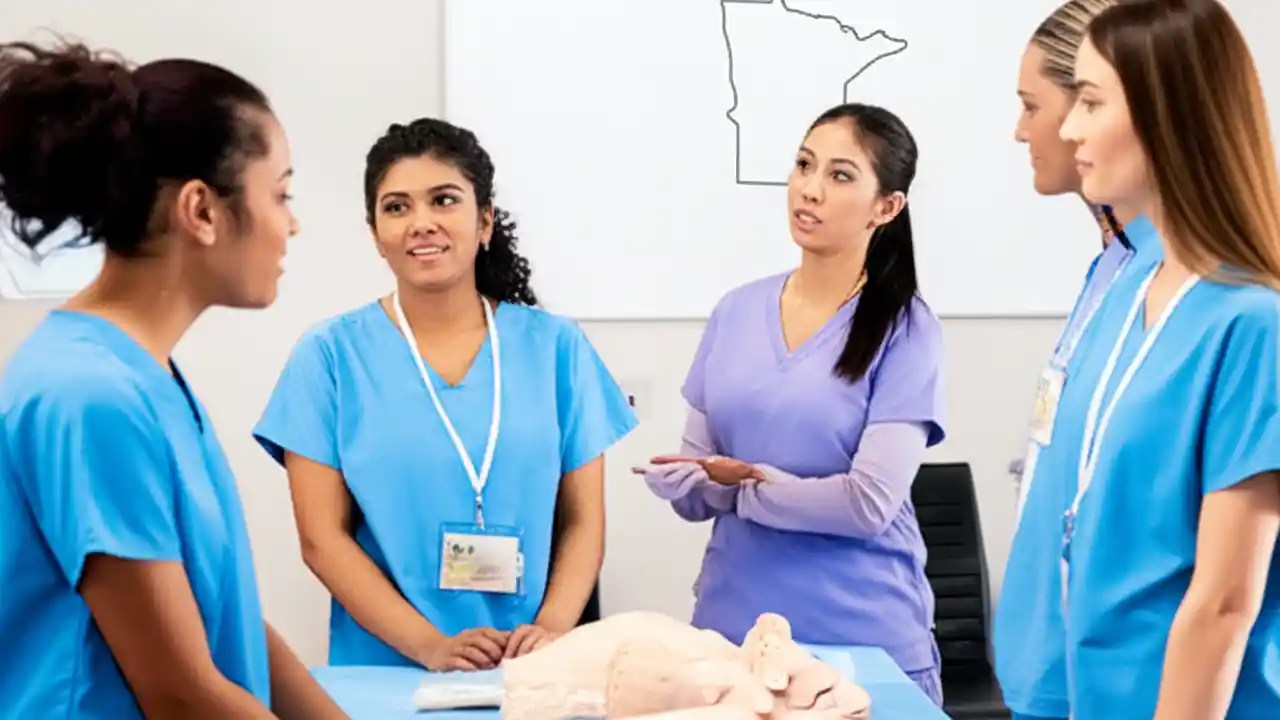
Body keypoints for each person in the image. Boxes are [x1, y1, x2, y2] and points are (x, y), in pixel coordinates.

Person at [0, 41, 345, 719]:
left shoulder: (143, 377)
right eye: (280, 194)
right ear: (202, 210)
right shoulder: (88, 395)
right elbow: (183, 694)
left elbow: (227, 628)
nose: (292, 224)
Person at [253, 117, 637, 672]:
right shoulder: (329, 356)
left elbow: (584, 522)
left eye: (443, 200)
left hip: (530, 668)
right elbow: (321, 540)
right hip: (386, 670)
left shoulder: (557, 348)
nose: (421, 223)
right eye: (397, 207)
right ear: (374, 234)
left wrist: (552, 635)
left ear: (484, 223)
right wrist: (430, 646)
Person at [636, 103, 947, 705]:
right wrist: (682, 483)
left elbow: (867, 505)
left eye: (839, 175)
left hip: (863, 644)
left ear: (887, 207)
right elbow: (703, 487)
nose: (809, 189)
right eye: (804, 165)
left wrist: (747, 487)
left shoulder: (907, 329)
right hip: (732, 643)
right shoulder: (736, 312)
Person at [1051, 0, 1280, 716]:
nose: (1068, 128)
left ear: (1166, 113)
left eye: (1089, 102)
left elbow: (1223, 603)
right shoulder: (1139, 294)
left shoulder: (1252, 325)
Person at [992, 3, 1166, 719]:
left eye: (1039, 105)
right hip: (1050, 668)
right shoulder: (1112, 269)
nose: (1029, 130)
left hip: (1121, 685)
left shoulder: (1191, 291)